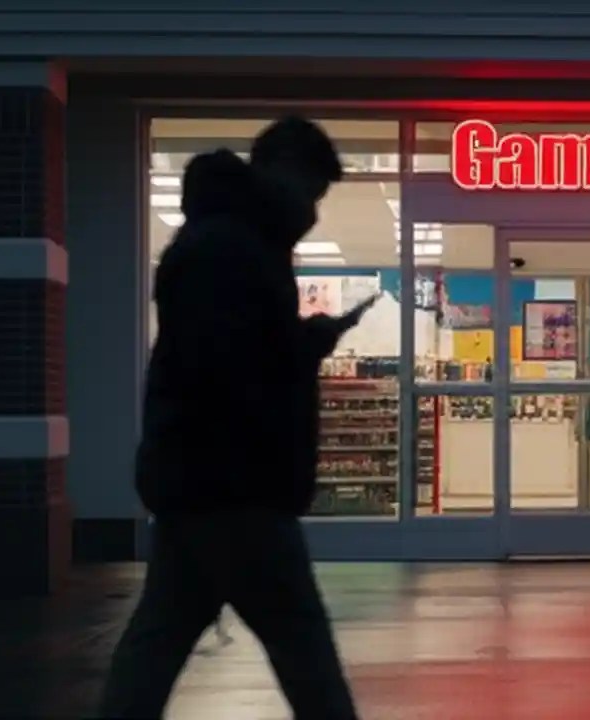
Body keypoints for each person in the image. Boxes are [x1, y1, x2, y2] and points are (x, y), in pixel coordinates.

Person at [99, 116, 373, 719]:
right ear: (282, 169)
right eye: (311, 190)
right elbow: (237, 368)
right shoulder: (236, 249)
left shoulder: (221, 241)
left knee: (160, 637)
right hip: (239, 482)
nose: (313, 209)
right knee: (300, 640)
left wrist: (302, 342)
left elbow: (230, 354)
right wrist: (306, 346)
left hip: (196, 479)